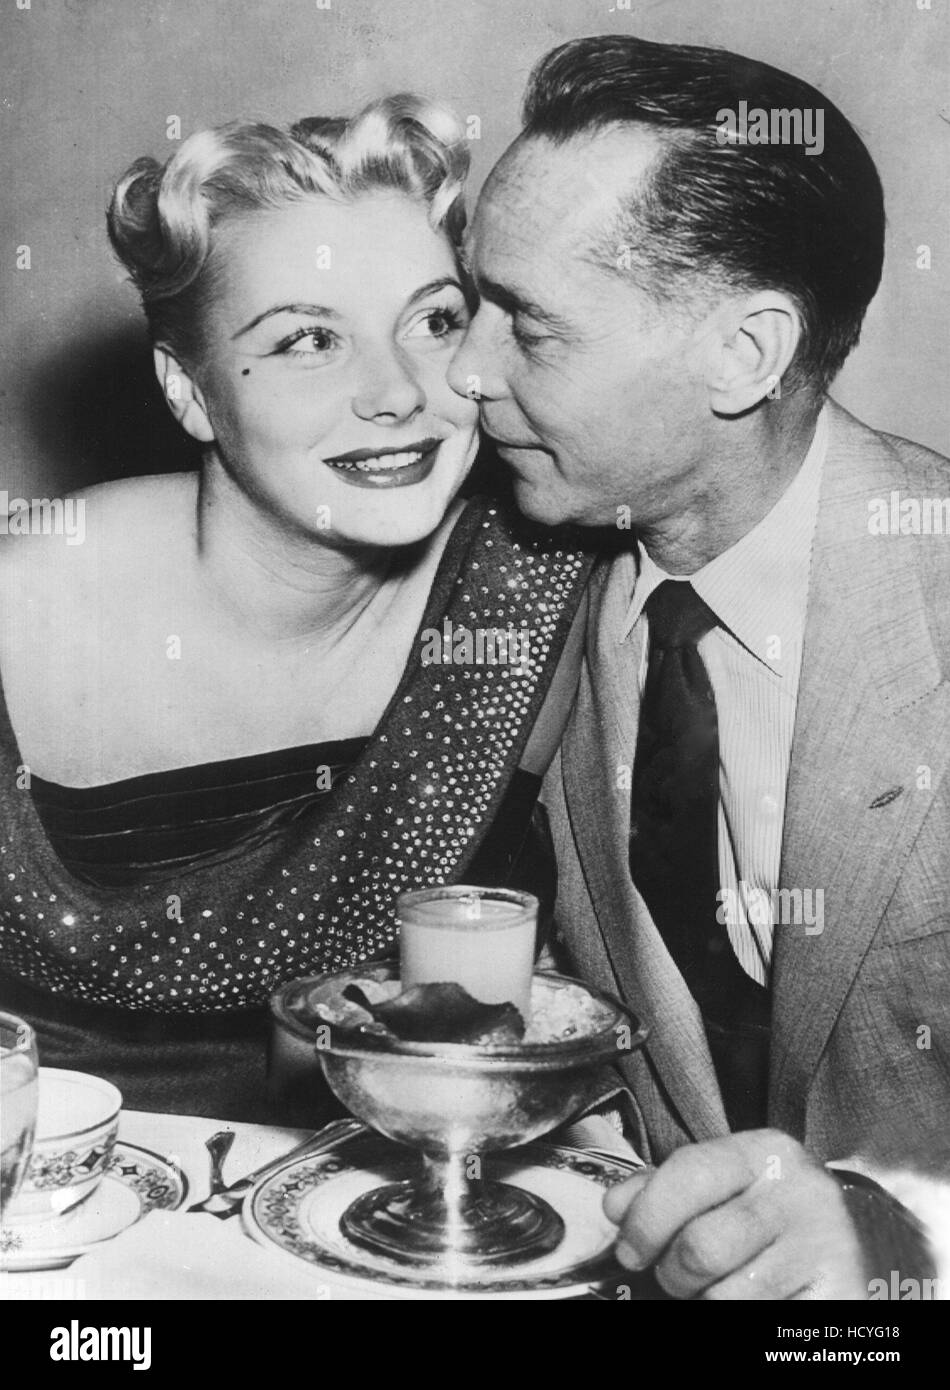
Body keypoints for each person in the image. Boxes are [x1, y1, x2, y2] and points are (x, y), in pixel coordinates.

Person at [450, 34, 949, 1299]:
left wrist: (904, 1246)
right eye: (472, 307)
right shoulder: (527, 578)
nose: (464, 373)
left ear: (744, 352)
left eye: (531, 328)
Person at [0, 96, 591, 1124]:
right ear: (187, 390)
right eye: (309, 340)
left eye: (432, 320)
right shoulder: (23, 603)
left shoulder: (537, 587)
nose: (398, 393)